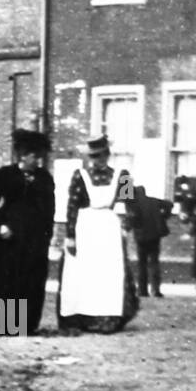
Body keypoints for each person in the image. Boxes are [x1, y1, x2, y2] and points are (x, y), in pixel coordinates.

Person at [0, 129, 55, 335]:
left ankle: (26, 324)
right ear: (23, 155)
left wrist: (48, 233)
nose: (38, 160)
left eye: (40, 156)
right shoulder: (4, 175)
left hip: (34, 235)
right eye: (34, 156)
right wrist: (0, 224)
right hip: (7, 233)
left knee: (30, 276)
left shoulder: (45, 177)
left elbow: (50, 206)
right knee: (3, 275)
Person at [57, 134, 137, 333]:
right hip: (86, 227)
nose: (98, 160)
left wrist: (125, 224)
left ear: (108, 155)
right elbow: (72, 205)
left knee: (109, 272)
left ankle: (108, 318)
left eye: (101, 156)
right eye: (94, 157)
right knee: (83, 272)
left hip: (109, 227)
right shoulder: (80, 175)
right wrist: (70, 236)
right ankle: (82, 317)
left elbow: (129, 203)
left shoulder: (123, 175)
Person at [126, 185, 171, 299]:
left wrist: (130, 227)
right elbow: (169, 204)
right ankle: (156, 290)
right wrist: (164, 216)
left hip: (141, 237)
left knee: (142, 264)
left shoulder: (135, 204)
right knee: (154, 263)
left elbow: (132, 218)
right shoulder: (154, 201)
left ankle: (142, 290)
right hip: (155, 236)